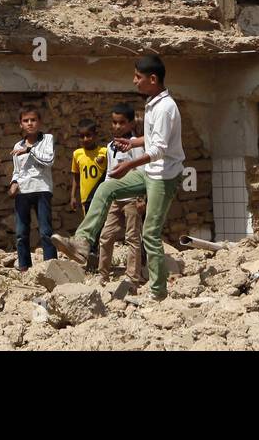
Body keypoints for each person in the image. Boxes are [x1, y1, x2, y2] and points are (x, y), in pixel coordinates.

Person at [53, 55, 183, 301]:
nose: (134, 81)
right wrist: (132, 141)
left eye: (138, 76)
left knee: (150, 234)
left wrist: (129, 165)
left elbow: (159, 150)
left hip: (164, 176)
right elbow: (152, 139)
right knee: (106, 189)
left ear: (152, 79)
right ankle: (82, 242)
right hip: (150, 171)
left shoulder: (166, 107)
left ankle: (158, 292)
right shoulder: (153, 102)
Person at [97, 103, 144, 284]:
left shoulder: (136, 145)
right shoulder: (110, 147)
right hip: (116, 198)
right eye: (114, 123)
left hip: (132, 198)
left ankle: (133, 276)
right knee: (106, 236)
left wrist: (141, 197)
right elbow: (110, 174)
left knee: (132, 237)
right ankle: (103, 275)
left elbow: (141, 171)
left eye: (121, 123)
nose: (117, 126)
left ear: (131, 124)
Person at [9, 105, 57, 270]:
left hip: (42, 188)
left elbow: (49, 161)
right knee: (21, 232)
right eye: (26, 120)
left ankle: (51, 266)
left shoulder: (47, 139)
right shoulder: (17, 145)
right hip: (23, 191)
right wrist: (14, 183)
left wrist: (29, 150)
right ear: (20, 124)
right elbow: (17, 170)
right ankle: (24, 267)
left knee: (45, 231)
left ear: (40, 122)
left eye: (33, 120)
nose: (30, 123)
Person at [69, 119, 107, 221]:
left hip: (103, 196)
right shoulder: (77, 154)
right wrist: (73, 196)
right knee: (91, 226)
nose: (85, 139)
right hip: (86, 198)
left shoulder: (104, 152)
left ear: (96, 135)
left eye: (88, 135)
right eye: (82, 136)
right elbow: (76, 177)